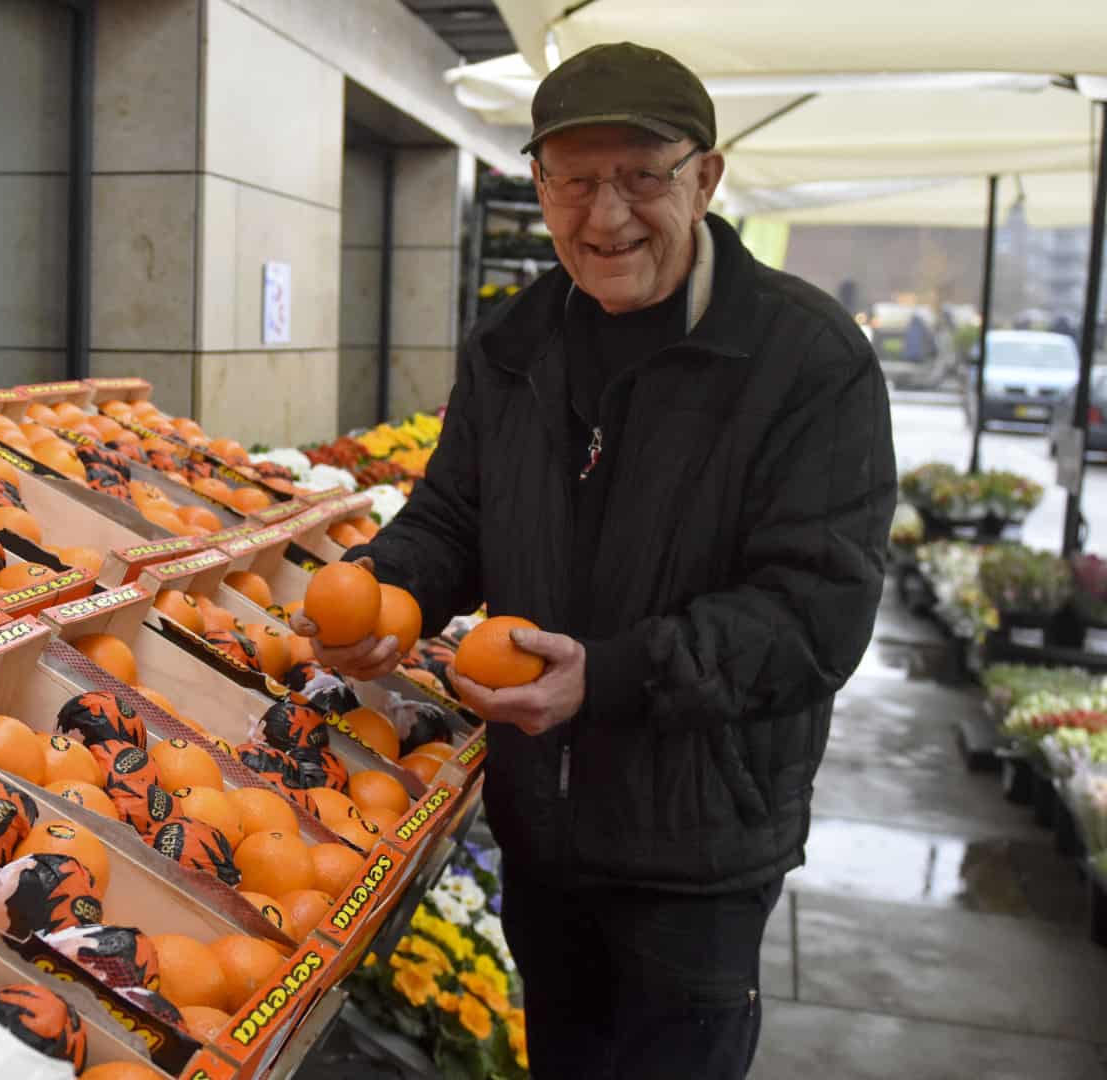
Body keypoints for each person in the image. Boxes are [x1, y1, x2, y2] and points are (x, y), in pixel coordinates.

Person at [293, 42, 894, 1080]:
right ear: (539, 185)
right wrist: (392, 585)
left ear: (704, 176)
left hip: (696, 846)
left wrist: (607, 677)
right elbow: (454, 514)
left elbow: (815, 613)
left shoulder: (806, 360)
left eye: (640, 176)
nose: (604, 216)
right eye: (574, 180)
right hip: (543, 828)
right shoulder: (514, 346)